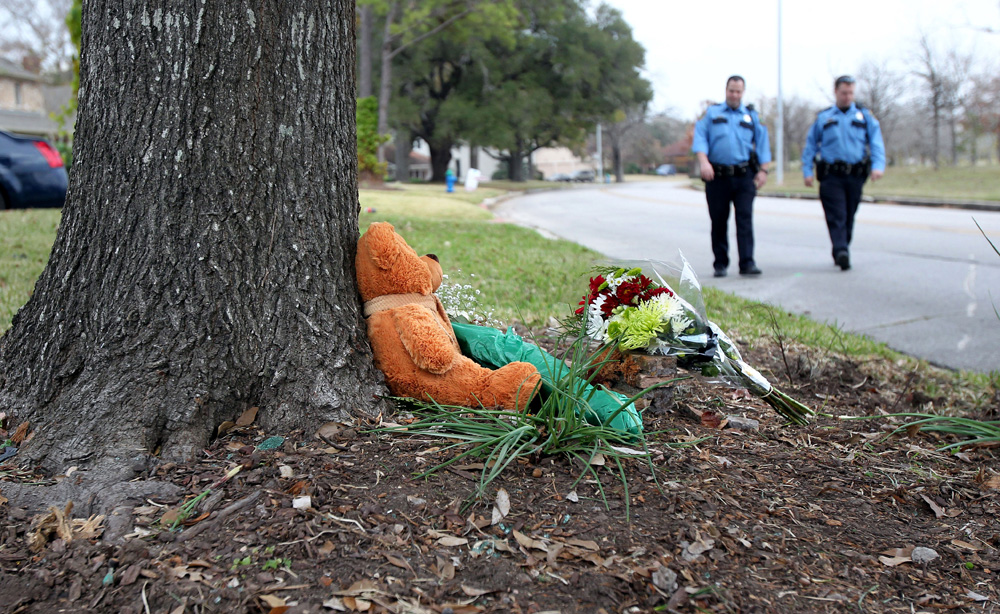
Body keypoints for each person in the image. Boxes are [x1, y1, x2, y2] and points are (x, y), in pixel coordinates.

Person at [802, 75, 886, 271]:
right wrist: (807, 170)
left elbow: (876, 142)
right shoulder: (824, 117)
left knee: (849, 215)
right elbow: (811, 146)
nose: (847, 97)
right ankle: (841, 250)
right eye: (844, 93)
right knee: (836, 214)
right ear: (836, 92)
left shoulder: (865, 117)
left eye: (850, 93)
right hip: (831, 175)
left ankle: (842, 247)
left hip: (855, 174)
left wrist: (878, 166)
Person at [692, 75, 771, 278]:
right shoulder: (711, 113)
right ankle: (720, 263)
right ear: (726, 90)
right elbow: (700, 138)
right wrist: (704, 162)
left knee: (745, 218)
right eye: (731, 91)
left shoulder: (752, 115)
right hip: (717, 176)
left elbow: (763, 144)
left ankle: (747, 262)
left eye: (738, 91)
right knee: (719, 220)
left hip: (745, 176)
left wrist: (763, 170)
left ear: (743, 92)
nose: (734, 95)